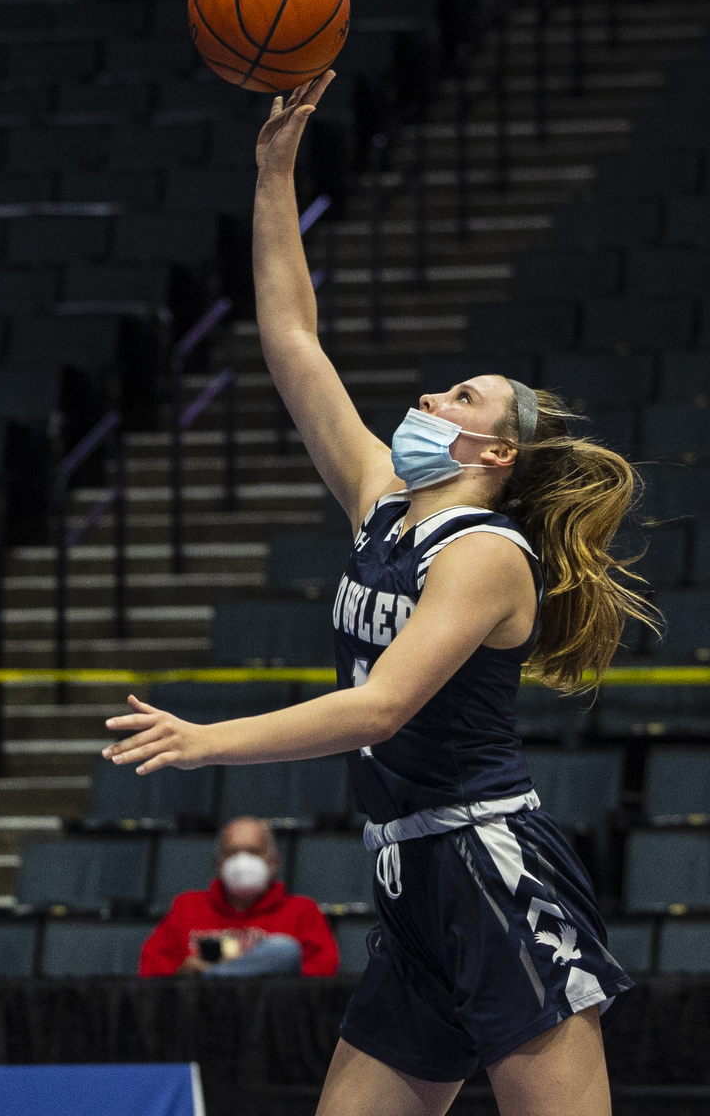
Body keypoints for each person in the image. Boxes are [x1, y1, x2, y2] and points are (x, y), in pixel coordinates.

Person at [103, 72, 660, 1115]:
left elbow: (379, 708)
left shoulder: (485, 553)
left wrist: (207, 741)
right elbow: (291, 343)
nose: (424, 396)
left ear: (493, 449)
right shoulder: (378, 499)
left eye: (457, 395)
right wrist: (274, 173)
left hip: (491, 870)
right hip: (408, 885)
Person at [139, 815, 339, 978]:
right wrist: (183, 972)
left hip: (272, 1015)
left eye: (253, 851)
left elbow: (323, 974)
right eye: (231, 852)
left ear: (274, 861)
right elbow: (151, 969)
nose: (242, 861)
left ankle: (214, 977)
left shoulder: (302, 910)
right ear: (218, 863)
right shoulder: (187, 906)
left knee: (285, 949)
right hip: (203, 1014)